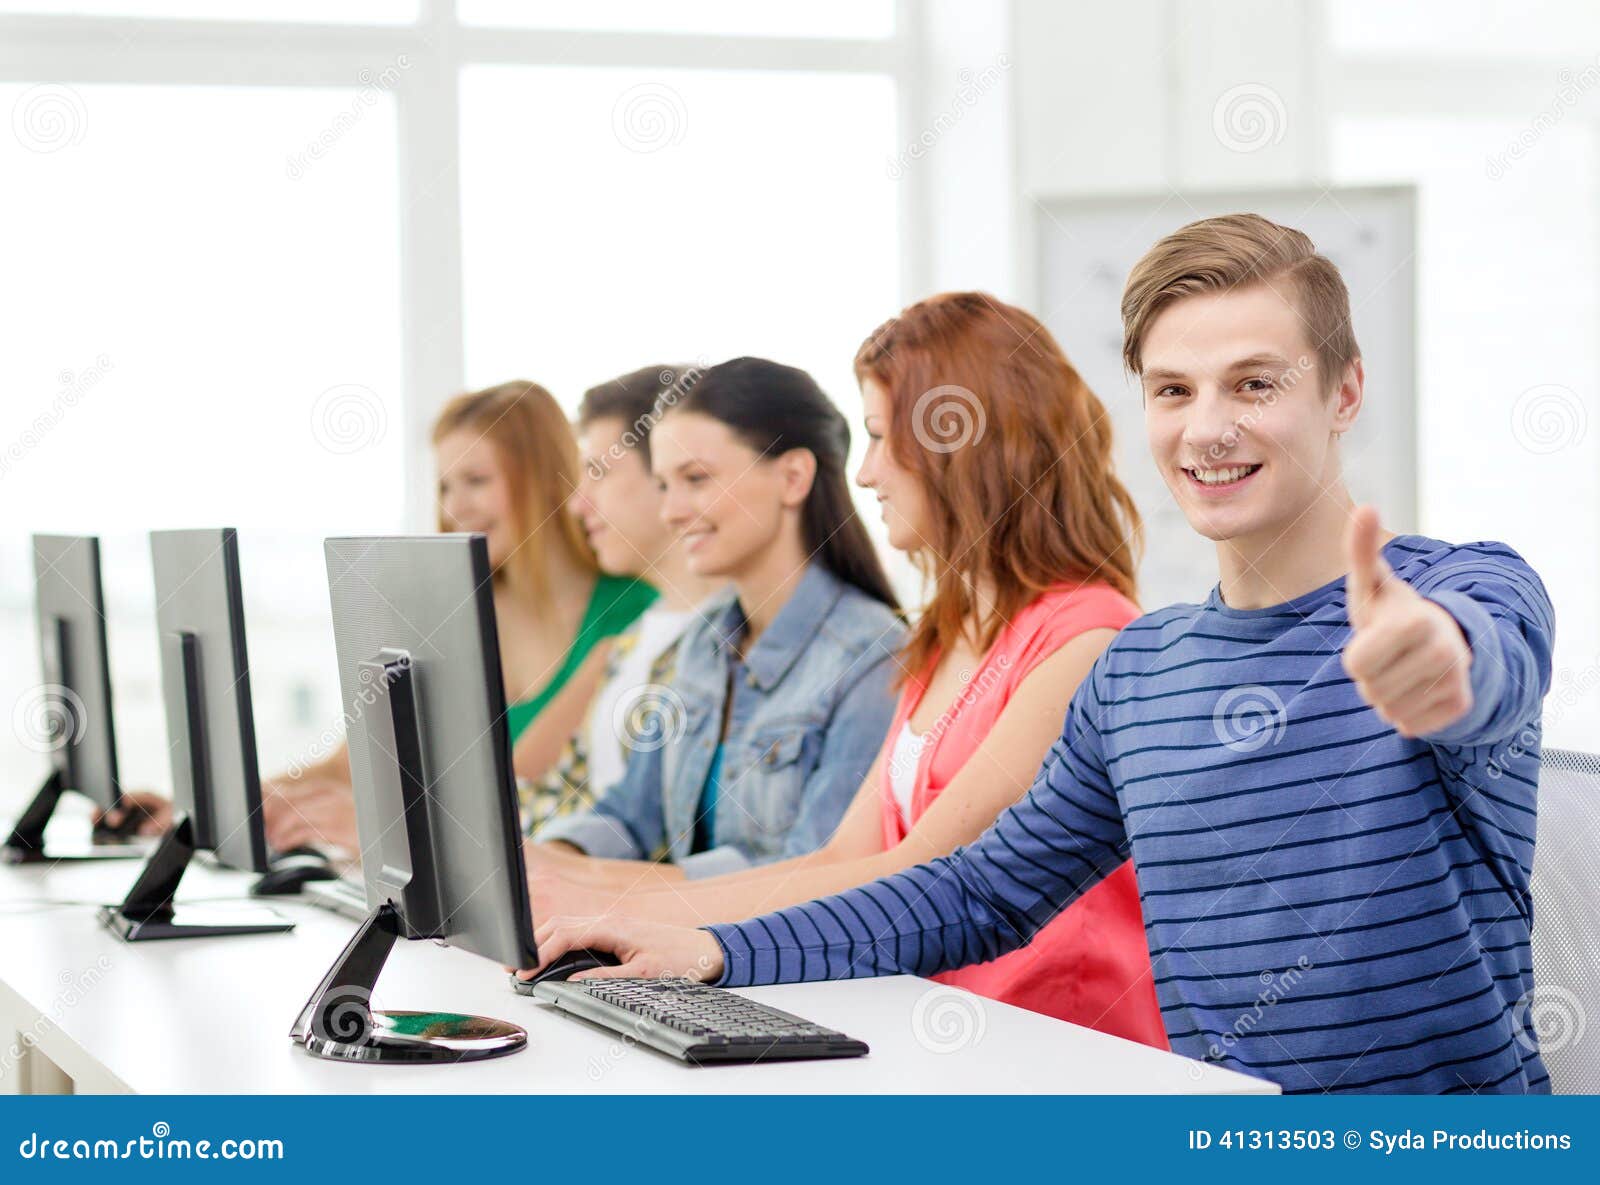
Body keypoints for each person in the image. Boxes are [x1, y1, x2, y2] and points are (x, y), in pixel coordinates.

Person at [529, 215, 1557, 1096]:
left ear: (1344, 393)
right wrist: (713, 949)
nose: (1207, 429)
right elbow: (979, 893)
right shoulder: (1140, 671)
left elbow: (1487, 670)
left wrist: (1438, 668)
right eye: (1172, 391)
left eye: (1253, 384)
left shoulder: (1464, 591)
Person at [531, 294, 1165, 1047]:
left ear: (964, 444)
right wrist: (606, 911)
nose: (864, 474)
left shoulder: (1086, 638)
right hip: (935, 1031)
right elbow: (844, 858)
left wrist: (644, 917)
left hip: (1054, 1048)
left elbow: (923, 873)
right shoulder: (947, 637)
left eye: (880, 438)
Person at [530, 356, 904, 885]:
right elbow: (631, 815)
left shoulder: (872, 655)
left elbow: (813, 876)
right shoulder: (701, 641)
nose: (672, 512)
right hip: (677, 932)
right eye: (664, 485)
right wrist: (544, 859)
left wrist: (610, 888)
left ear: (793, 478)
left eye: (696, 479)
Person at [259, 379, 655, 852]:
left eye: (477, 481)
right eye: (445, 486)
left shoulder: (634, 613)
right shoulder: (450, 617)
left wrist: (371, 824)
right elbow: (351, 766)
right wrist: (234, 805)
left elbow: (508, 792)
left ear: (545, 480)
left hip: (555, 878)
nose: (454, 507)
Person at [517, 364, 722, 827]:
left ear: (667, 468)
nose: (578, 504)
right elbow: (562, 796)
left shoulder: (729, 638)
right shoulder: (632, 639)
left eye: (599, 472)